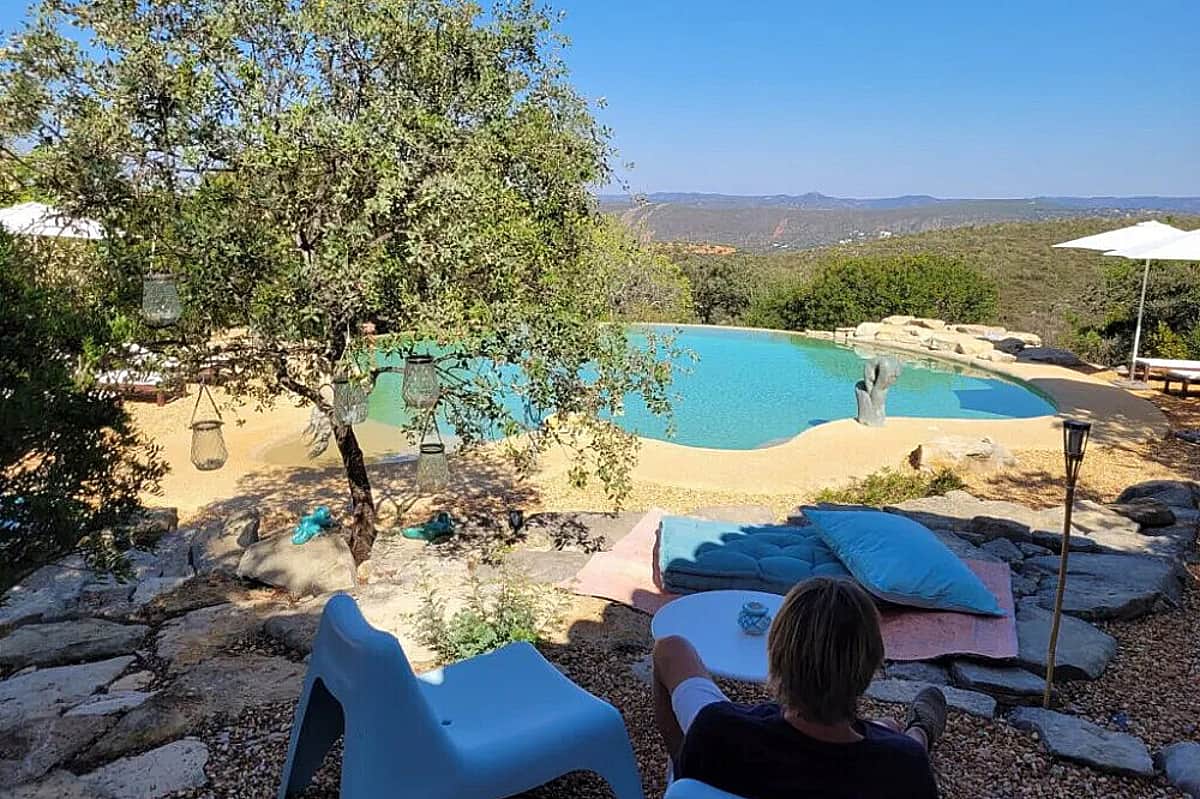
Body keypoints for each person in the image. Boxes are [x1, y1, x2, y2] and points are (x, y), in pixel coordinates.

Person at [652, 577, 945, 798]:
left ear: (775, 656)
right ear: (870, 667)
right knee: (895, 736)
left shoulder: (716, 730)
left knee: (670, 649)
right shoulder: (906, 768)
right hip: (875, 762)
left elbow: (669, 651)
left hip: (736, 746)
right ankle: (919, 730)